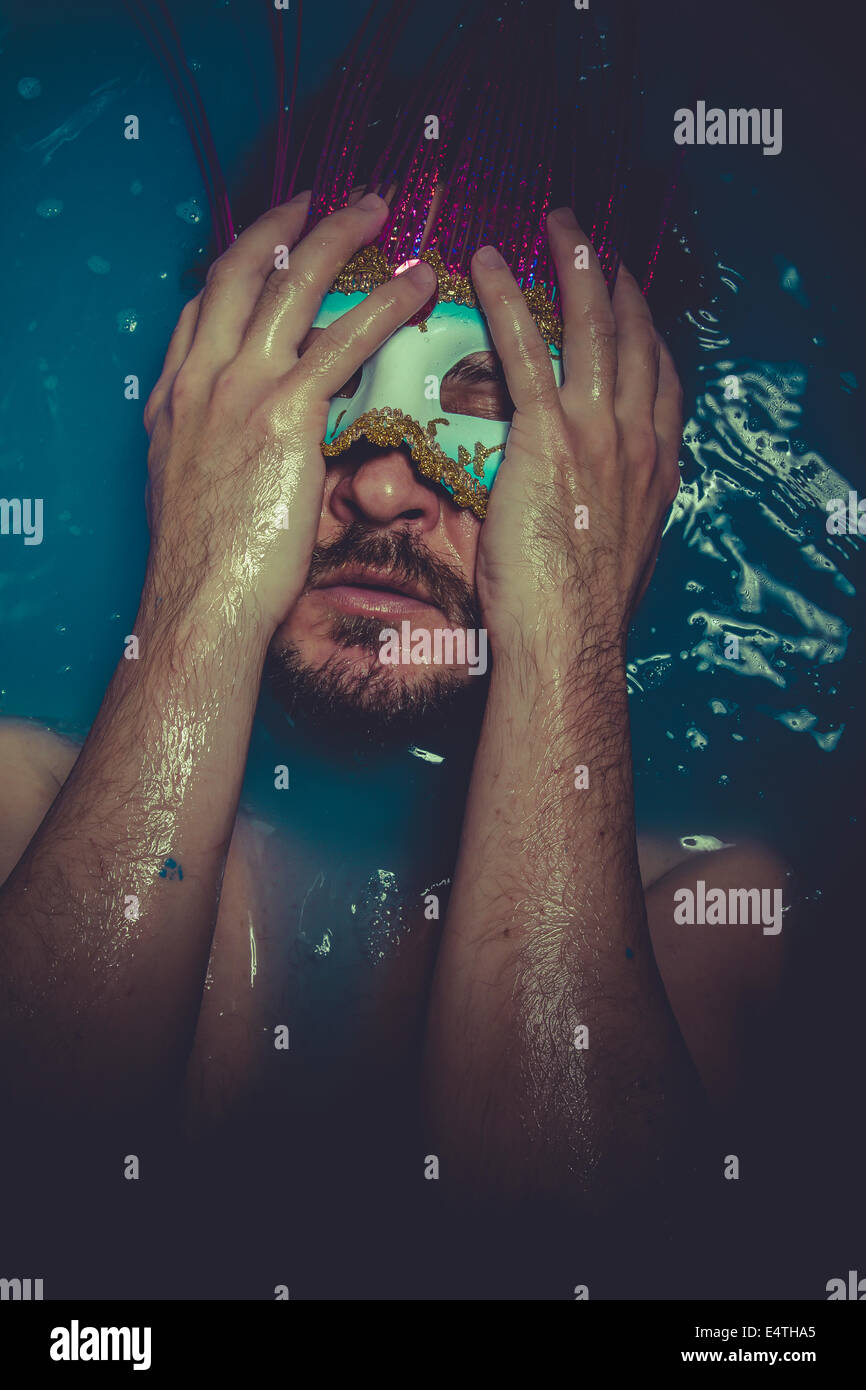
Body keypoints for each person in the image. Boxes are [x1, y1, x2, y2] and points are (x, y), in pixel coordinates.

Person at [0, 186, 787, 1212]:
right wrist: (205, 586)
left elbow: (587, 1268)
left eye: (491, 401)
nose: (379, 488)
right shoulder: (18, 802)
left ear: (625, 479)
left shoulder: (714, 916)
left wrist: (564, 632)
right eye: (322, 377)